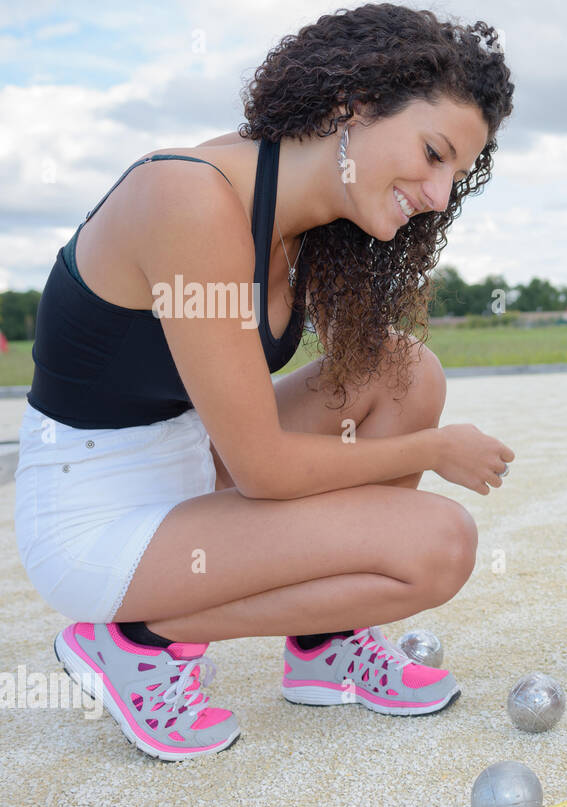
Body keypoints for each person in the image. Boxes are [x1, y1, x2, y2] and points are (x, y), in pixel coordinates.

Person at [13, 4, 516, 761]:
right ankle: (135, 638)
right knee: (439, 545)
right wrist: (435, 447)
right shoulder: (189, 197)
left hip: (185, 461)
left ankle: (323, 645)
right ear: (355, 104)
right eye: (434, 152)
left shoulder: (308, 224)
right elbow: (263, 469)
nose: (441, 194)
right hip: (96, 521)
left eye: (457, 174)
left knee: (404, 369)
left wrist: (416, 430)